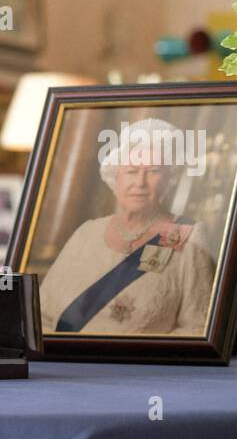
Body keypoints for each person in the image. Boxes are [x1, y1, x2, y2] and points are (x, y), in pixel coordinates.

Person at [38, 118, 215, 335]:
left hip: (139, 367)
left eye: (153, 171)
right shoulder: (86, 233)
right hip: (65, 361)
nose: (139, 183)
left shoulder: (189, 237)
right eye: (131, 171)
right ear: (116, 176)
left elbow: (197, 328)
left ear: (170, 179)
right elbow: (42, 313)